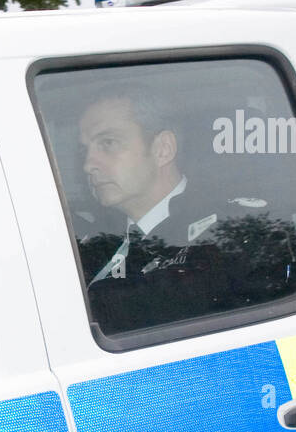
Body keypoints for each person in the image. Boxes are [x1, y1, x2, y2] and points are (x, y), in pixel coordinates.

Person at [75, 86, 266, 333]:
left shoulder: (229, 232)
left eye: (108, 143)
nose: (89, 165)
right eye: (85, 151)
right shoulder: (93, 241)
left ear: (162, 149)